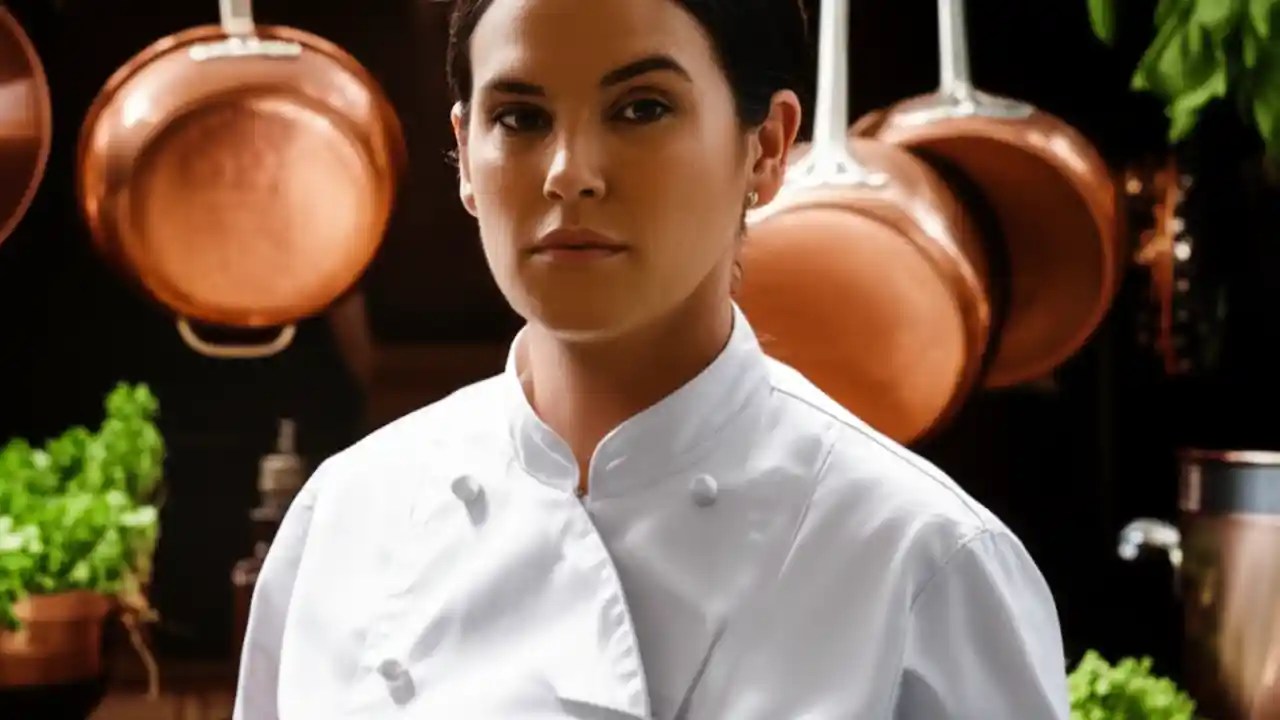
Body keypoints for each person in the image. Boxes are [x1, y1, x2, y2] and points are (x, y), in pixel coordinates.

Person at [232, 0, 1071, 717]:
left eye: (640, 109)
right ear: (465, 157)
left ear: (768, 148)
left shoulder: (921, 560)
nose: (570, 174)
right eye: (520, 118)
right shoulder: (347, 522)